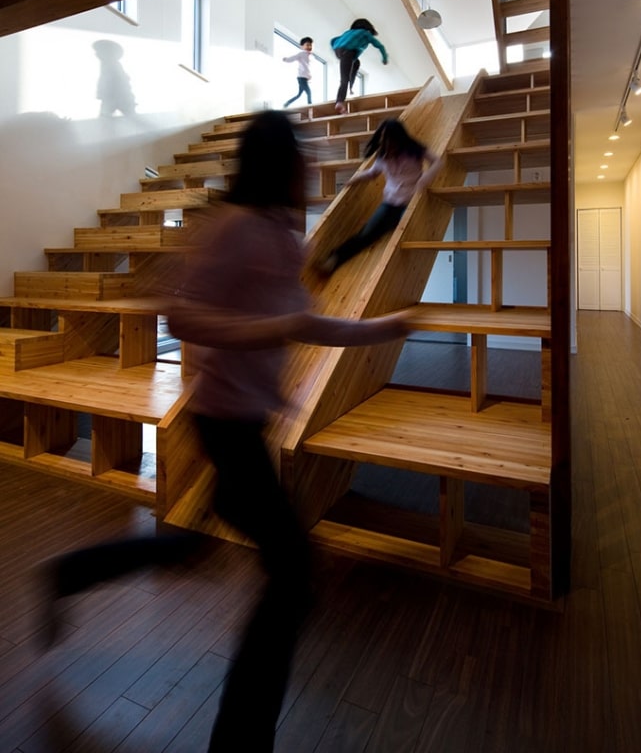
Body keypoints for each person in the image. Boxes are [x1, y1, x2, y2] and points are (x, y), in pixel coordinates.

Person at [37, 110, 411, 753]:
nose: (313, 167)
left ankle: (67, 574)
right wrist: (259, 332)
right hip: (223, 424)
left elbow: (302, 322)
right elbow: (182, 316)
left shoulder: (281, 237)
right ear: (279, 163)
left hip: (246, 424)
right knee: (293, 575)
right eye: (303, 156)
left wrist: (378, 329)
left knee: (191, 549)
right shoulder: (234, 229)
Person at [318, 118, 442, 275]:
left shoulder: (414, 150)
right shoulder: (382, 155)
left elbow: (438, 162)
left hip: (410, 203)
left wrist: (424, 179)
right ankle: (334, 259)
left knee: (403, 233)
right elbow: (372, 174)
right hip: (389, 202)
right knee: (367, 234)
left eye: (391, 142)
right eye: (385, 142)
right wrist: (353, 179)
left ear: (399, 139)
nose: (388, 146)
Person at [330, 18, 388, 113]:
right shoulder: (365, 33)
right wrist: (384, 58)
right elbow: (380, 46)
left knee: (356, 63)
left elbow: (333, 40)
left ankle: (351, 87)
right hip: (348, 52)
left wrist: (336, 49)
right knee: (344, 79)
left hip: (339, 51)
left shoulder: (348, 32)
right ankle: (340, 102)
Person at [283, 36, 314, 107]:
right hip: (301, 77)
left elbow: (308, 68)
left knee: (299, 94)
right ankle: (310, 106)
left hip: (305, 78)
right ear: (302, 46)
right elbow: (293, 58)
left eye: (310, 45)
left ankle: (287, 103)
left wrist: (309, 77)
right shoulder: (301, 54)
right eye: (307, 45)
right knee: (309, 92)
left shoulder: (310, 56)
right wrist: (286, 59)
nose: (309, 47)